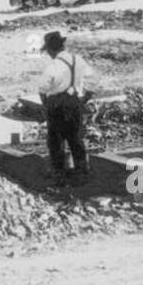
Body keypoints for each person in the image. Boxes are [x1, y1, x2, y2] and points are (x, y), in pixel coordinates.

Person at [37, 31, 90, 182]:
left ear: (51, 49)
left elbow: (42, 89)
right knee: (76, 139)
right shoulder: (78, 60)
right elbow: (93, 80)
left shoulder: (54, 65)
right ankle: (82, 173)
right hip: (75, 103)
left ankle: (59, 174)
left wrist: (47, 105)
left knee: (56, 141)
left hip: (57, 105)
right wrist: (84, 99)